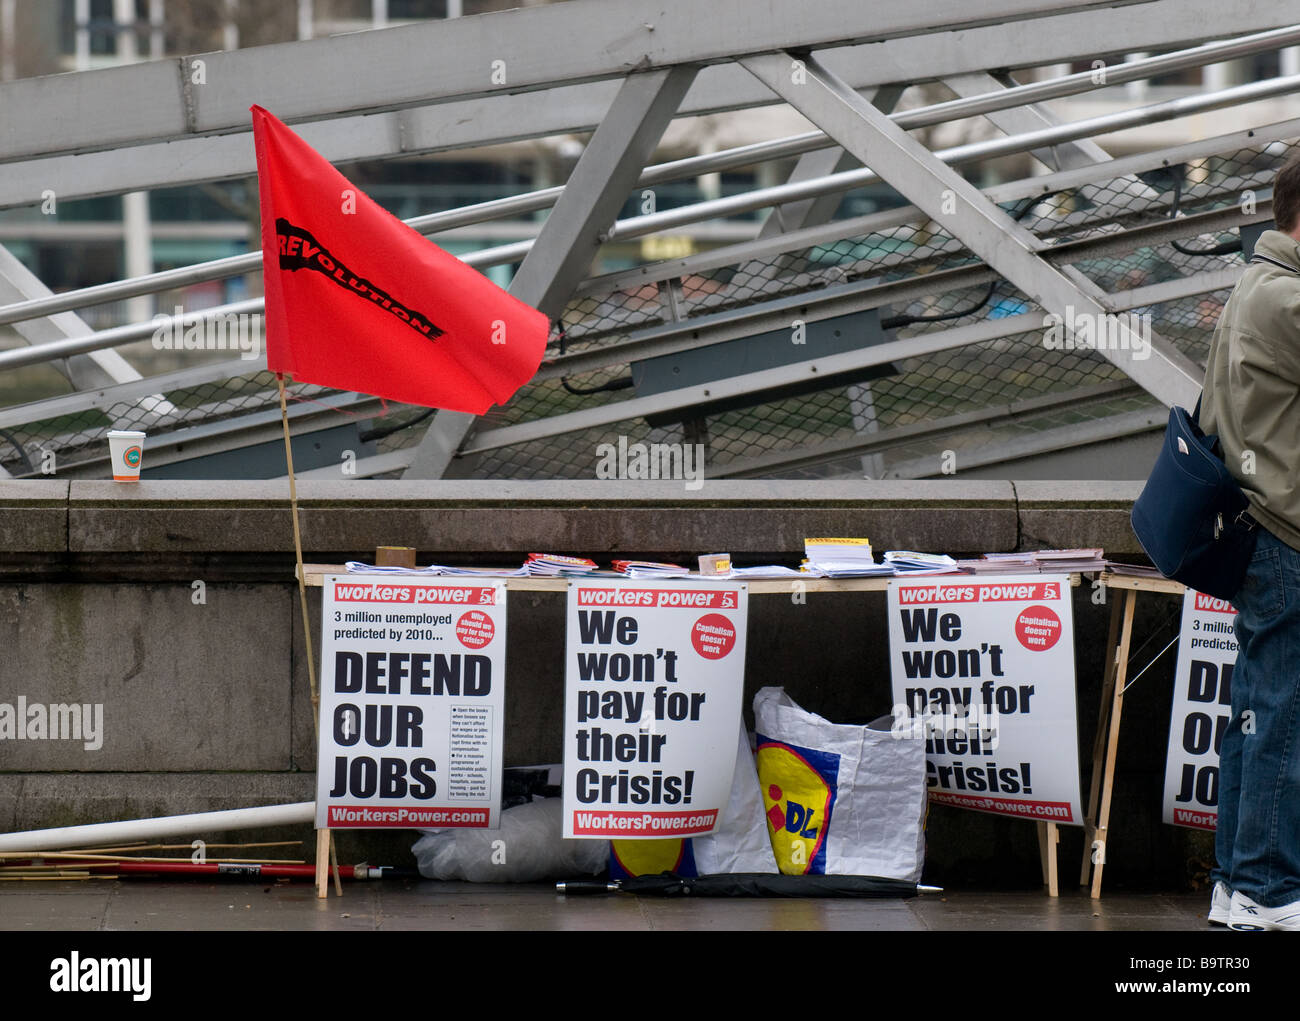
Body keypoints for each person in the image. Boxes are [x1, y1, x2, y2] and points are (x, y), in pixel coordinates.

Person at [1199, 154, 1300, 931]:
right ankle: (1269, 894)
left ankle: (1235, 883)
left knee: (1255, 714)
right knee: (1283, 717)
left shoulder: (1249, 286)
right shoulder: (1290, 300)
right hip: (1290, 533)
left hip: (1255, 529)